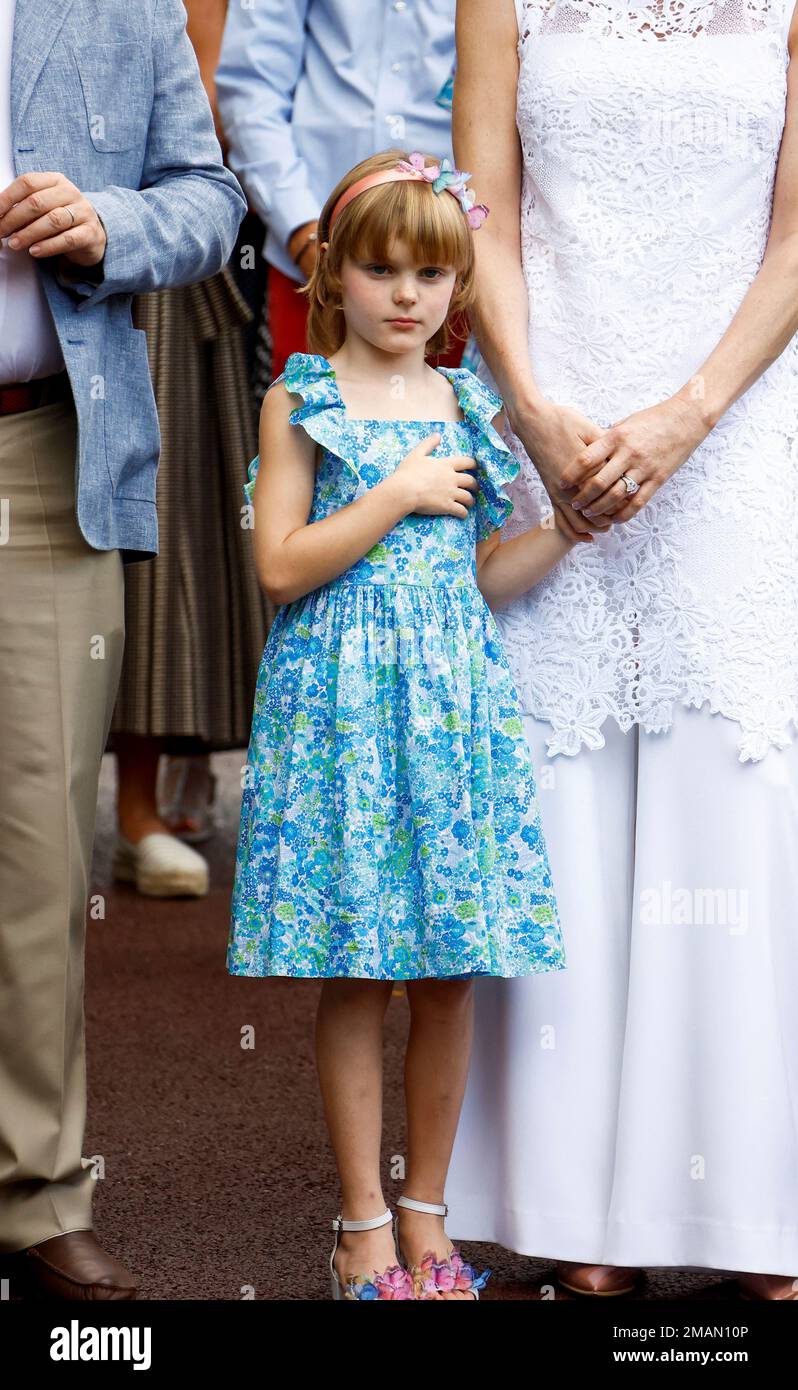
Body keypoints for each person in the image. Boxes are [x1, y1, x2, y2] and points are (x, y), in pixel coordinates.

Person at [443, 0, 798, 1301]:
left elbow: (793, 236)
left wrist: (690, 416)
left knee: (728, 784)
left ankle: (749, 1206)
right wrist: (530, 412)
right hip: (560, 418)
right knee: (564, 793)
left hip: (736, 417)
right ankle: (575, 1206)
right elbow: (477, 209)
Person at [226, 148, 581, 1300]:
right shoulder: (303, 395)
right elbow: (279, 565)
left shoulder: (471, 401)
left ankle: (430, 1217)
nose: (406, 296)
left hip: (452, 710)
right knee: (359, 964)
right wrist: (389, 495)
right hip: (340, 710)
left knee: (449, 972)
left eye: (431, 274)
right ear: (334, 272)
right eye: (381, 270)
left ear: (458, 285)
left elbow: (479, 572)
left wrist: (569, 532)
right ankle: (360, 1225)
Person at [0, 0, 246, 1299]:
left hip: (42, 460)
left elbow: (209, 199)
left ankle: (33, 1197)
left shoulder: (124, 1)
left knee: (39, 856)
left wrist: (108, 222)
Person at [106, 0, 272, 898]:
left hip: (193, 238)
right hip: (102, 228)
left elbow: (208, 108)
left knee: (185, 522)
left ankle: (161, 788)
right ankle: (138, 802)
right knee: (148, 518)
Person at [215, 0, 468, 378]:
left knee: (455, 422)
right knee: (306, 421)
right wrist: (303, 234)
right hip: (310, 253)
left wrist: (470, 257)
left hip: (451, 262)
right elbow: (253, 89)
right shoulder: (317, 255)